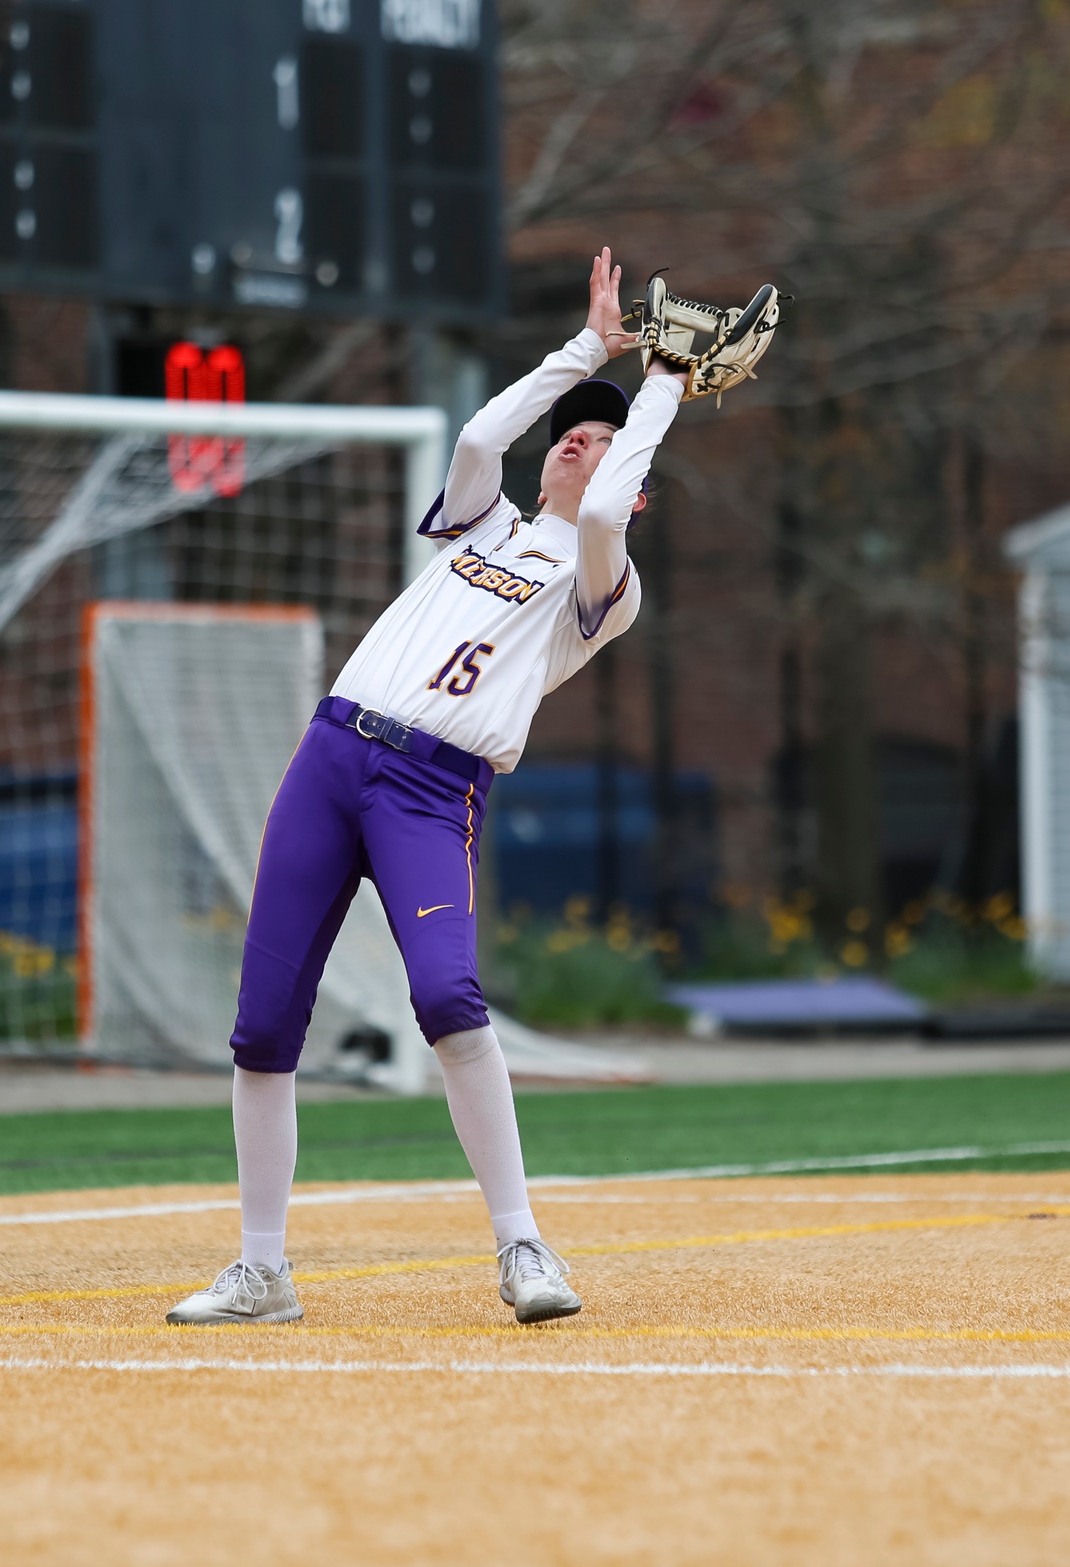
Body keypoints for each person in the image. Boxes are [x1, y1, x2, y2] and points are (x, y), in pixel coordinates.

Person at [169, 247, 688, 1327]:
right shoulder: (486, 522)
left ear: (633, 483)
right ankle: (261, 1269)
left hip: (428, 786)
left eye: (600, 443)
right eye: (571, 437)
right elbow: (479, 438)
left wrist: (662, 387)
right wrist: (587, 352)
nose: (576, 444)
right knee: (262, 1024)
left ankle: (522, 1245)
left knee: (448, 999)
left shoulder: (603, 579)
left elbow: (601, 515)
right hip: (329, 759)